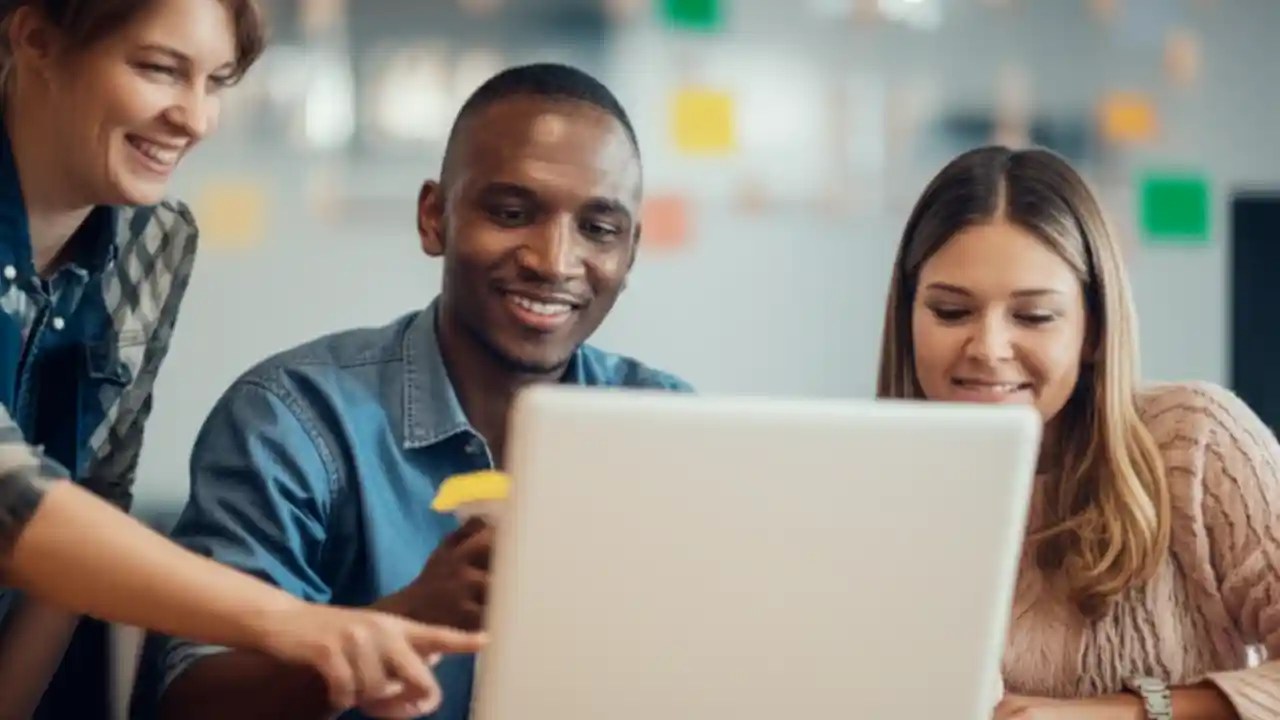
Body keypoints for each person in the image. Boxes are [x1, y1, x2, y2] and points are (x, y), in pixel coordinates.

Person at [132, 62, 692, 720]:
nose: (553, 261)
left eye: (599, 229)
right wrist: (406, 618)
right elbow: (194, 701)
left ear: (629, 255)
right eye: (512, 213)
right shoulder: (291, 420)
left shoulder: (665, 429)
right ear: (434, 218)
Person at [0, 0, 481, 717]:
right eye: (161, 70)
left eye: (217, 81)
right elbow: (13, 506)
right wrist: (299, 624)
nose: (194, 118)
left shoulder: (150, 241)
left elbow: (88, 508)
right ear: (35, 37)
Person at [877, 145, 1280, 720]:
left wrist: (1123, 713)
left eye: (1034, 316)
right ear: (908, 318)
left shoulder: (1198, 443)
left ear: (1093, 331)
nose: (989, 349)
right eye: (950, 312)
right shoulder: (869, 485)